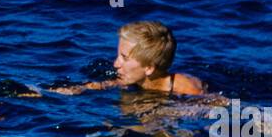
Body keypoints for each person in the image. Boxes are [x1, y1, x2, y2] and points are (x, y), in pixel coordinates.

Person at [52, 20, 205, 97]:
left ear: (149, 68)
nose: (116, 64)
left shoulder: (185, 88)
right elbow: (102, 85)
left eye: (124, 58)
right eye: (118, 55)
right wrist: (72, 89)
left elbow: (219, 107)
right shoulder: (130, 78)